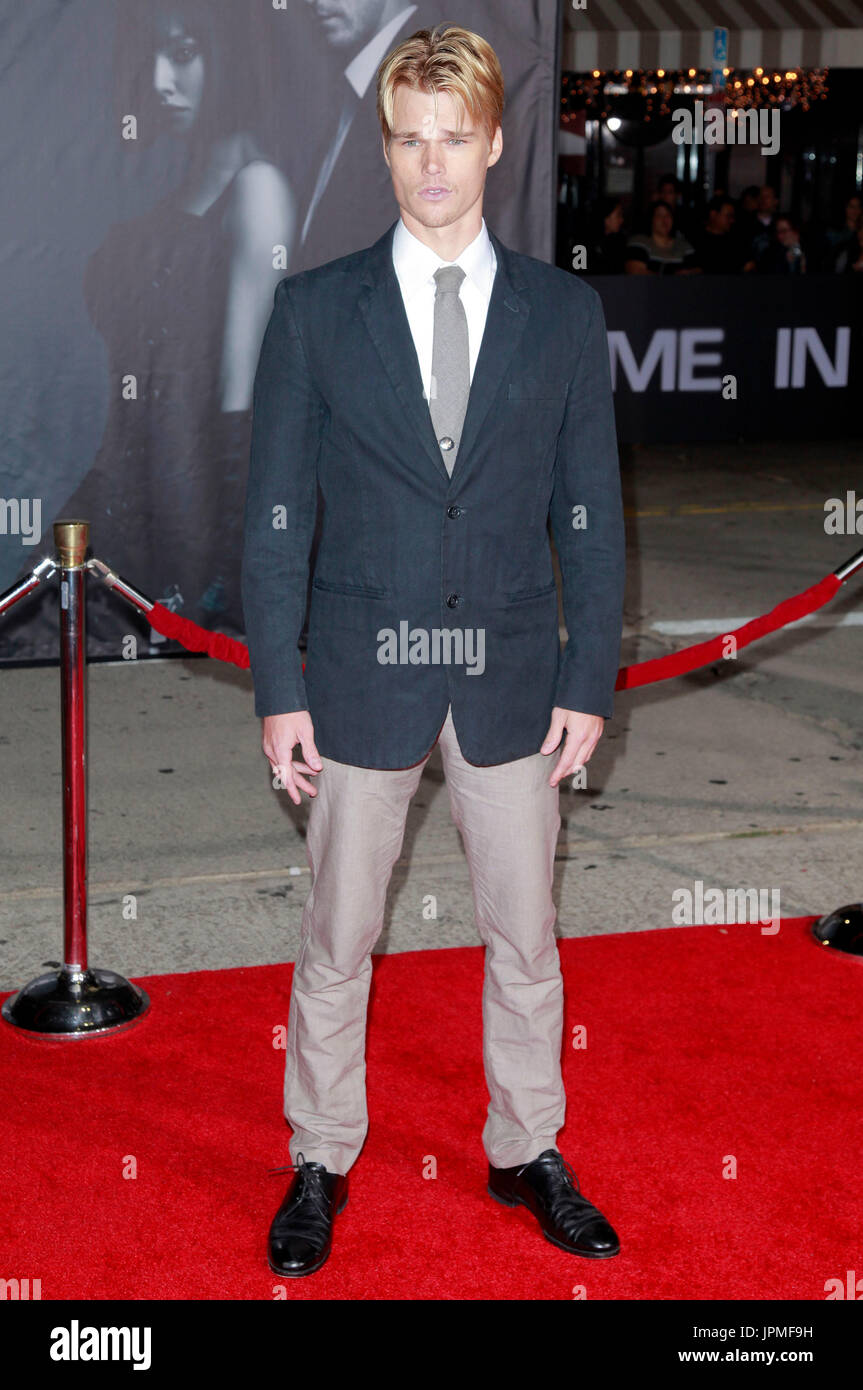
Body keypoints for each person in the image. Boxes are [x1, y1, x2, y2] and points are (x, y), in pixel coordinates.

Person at [242, 23, 626, 1277]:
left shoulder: (564, 317)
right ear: (386, 144)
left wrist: (587, 679)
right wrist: (279, 689)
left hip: (514, 673)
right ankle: (319, 1152)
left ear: (494, 142)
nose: (430, 166)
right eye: (407, 139)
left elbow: (591, 511)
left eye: (453, 139)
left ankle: (526, 1144)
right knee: (336, 935)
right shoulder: (312, 311)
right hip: (357, 670)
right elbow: (274, 520)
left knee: (525, 936)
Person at [24, 0, 294, 659]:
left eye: (184, 53)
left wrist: (204, 577)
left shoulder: (256, 191)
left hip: (177, 505)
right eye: (153, 54)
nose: (160, 80)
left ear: (227, 57)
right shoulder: (171, 189)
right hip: (123, 482)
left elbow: (235, 418)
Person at [624, 200, 699, 276]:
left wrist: (687, 274)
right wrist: (667, 279)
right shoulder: (639, 242)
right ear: (651, 219)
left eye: (668, 215)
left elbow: (698, 271)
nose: (664, 220)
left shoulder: (684, 246)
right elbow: (635, 271)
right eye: (659, 215)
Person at [694, 195, 752, 273]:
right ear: (713, 214)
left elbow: (748, 265)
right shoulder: (695, 239)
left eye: (733, 217)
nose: (732, 220)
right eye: (728, 216)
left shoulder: (736, 240)